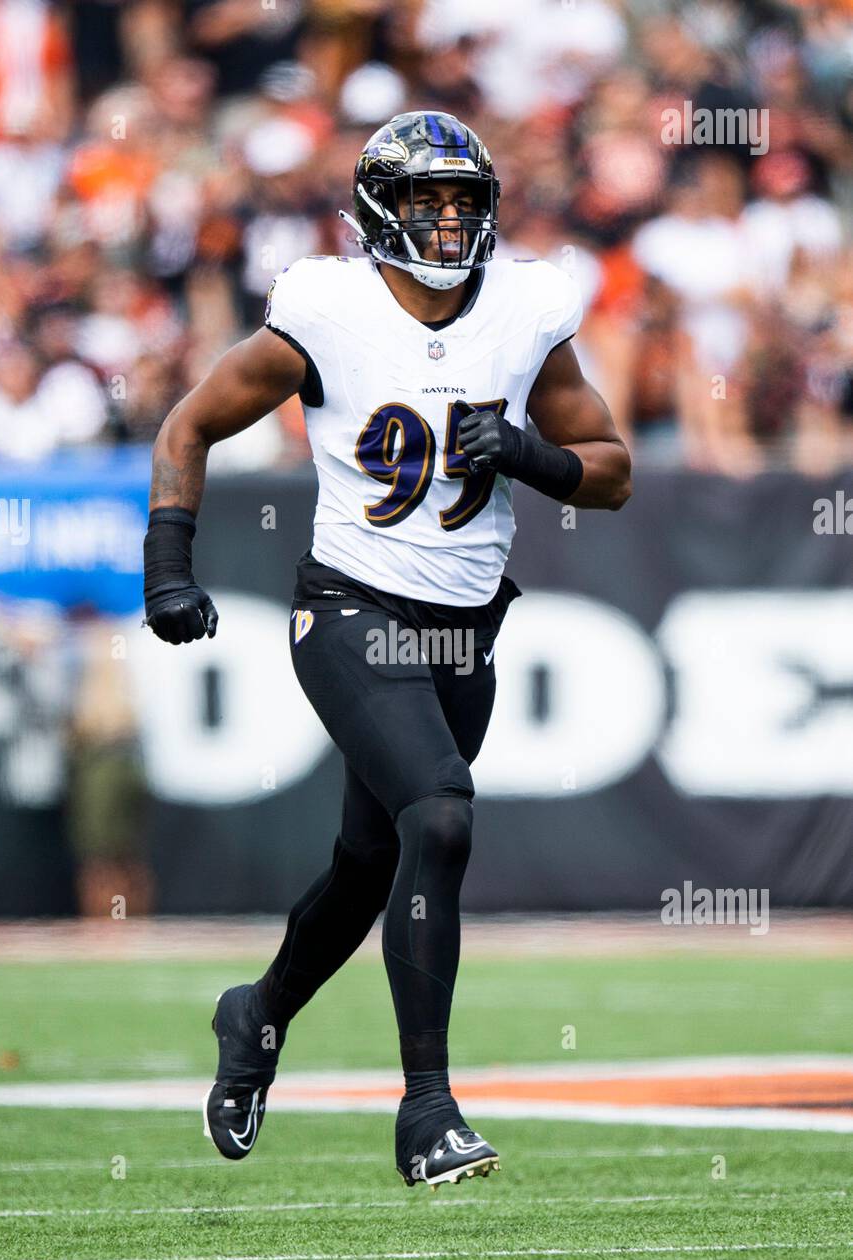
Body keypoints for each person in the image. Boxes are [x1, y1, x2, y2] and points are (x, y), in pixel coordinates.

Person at [142, 110, 631, 1189]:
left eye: (464, 201)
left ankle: (256, 1013)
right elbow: (188, 424)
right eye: (427, 201)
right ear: (379, 209)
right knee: (441, 811)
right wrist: (167, 567)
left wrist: (526, 452)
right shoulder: (326, 306)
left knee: (372, 864)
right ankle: (427, 1112)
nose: (448, 221)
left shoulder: (523, 309)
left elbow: (610, 468)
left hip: (467, 624)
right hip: (349, 606)